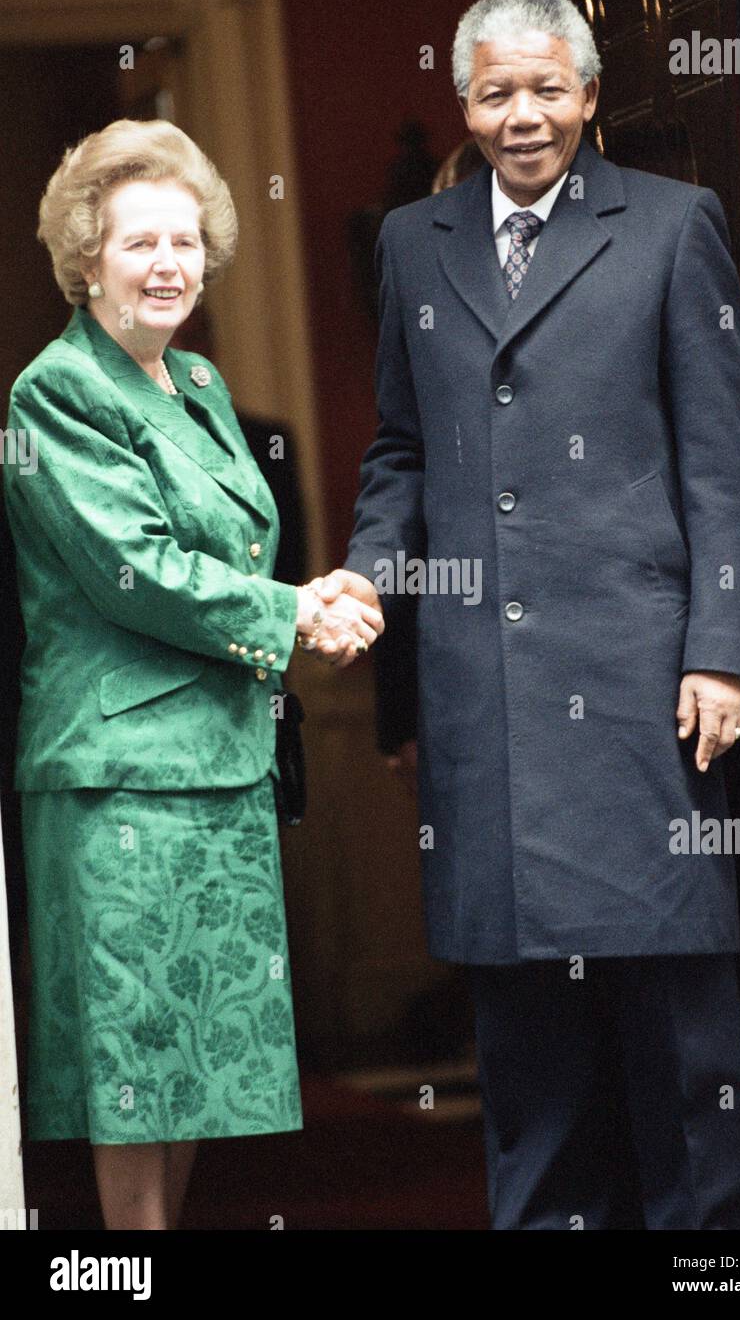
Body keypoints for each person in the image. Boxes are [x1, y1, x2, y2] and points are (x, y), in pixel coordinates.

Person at [315, 0, 740, 1229]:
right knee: (529, 1068)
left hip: (641, 693)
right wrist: (369, 568)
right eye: (494, 92)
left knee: (685, 1055)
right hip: (490, 706)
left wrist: (722, 652)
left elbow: (721, 465)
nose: (522, 116)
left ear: (585, 95)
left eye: (546, 89)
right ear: (462, 99)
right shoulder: (414, 241)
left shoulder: (672, 226)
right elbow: (401, 449)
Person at [3, 118, 383, 1230]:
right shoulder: (55, 394)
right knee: (134, 1059)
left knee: (195, 1065)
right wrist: (293, 610)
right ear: (85, 262)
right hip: (121, 777)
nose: (168, 264)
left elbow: (225, 552)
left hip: (220, 767)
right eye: (138, 244)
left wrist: (317, 597)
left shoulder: (197, 381)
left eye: (183, 242)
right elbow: (136, 571)